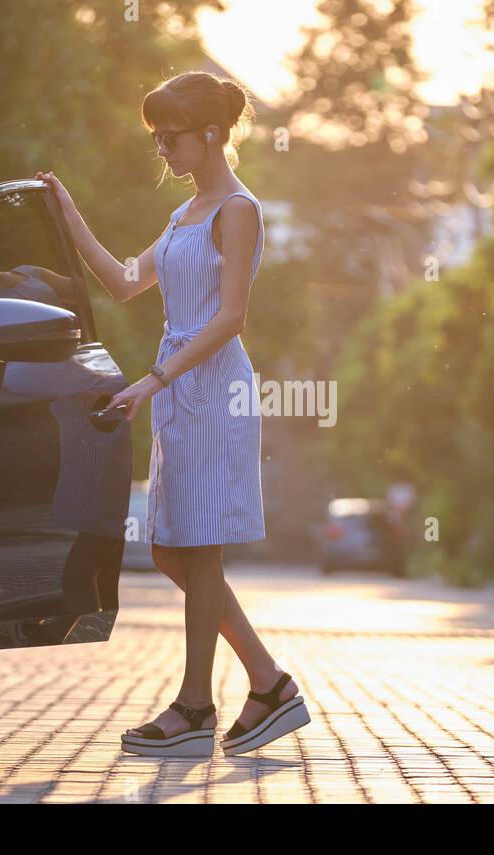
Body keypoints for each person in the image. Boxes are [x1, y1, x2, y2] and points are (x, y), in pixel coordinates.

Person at [35, 71, 309, 758]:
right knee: (167, 546)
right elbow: (127, 282)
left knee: (198, 546)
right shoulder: (182, 215)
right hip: (177, 392)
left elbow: (230, 317)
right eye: (156, 139)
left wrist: (151, 380)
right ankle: (269, 682)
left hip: (213, 390)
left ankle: (194, 706)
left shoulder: (236, 211)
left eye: (172, 136)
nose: (163, 150)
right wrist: (67, 215)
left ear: (212, 133)